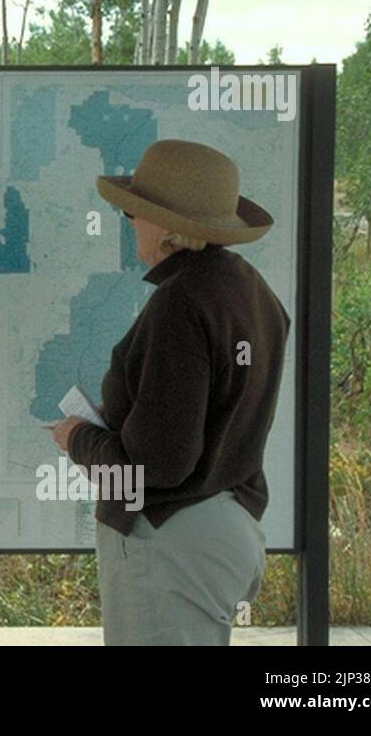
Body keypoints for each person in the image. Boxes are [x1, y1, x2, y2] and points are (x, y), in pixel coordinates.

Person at [49, 138, 290, 645]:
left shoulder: (179, 305)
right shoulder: (250, 290)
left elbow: (156, 468)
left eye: (135, 213)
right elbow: (209, 415)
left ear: (167, 228)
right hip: (228, 526)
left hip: (170, 540)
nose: (130, 221)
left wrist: (77, 438)